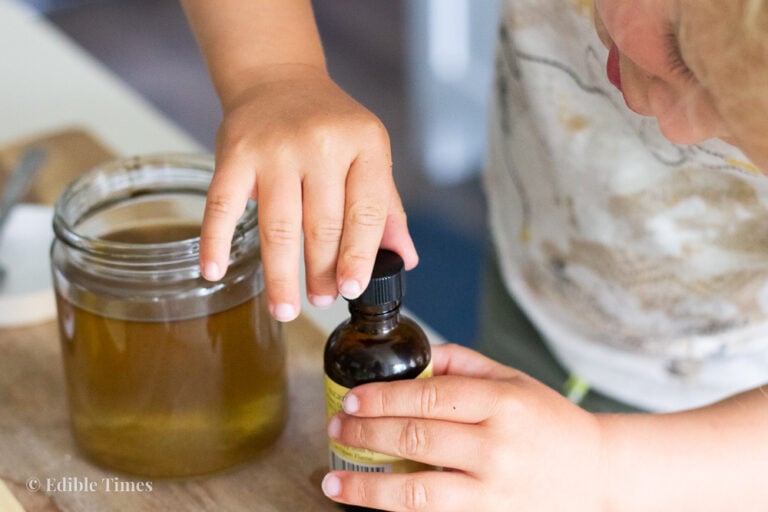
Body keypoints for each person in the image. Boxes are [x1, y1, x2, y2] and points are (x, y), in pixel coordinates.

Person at [180, 0, 768, 510]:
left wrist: (603, 471)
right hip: (529, 289)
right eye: (685, 56)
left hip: (724, 438)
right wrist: (275, 73)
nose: (679, 126)